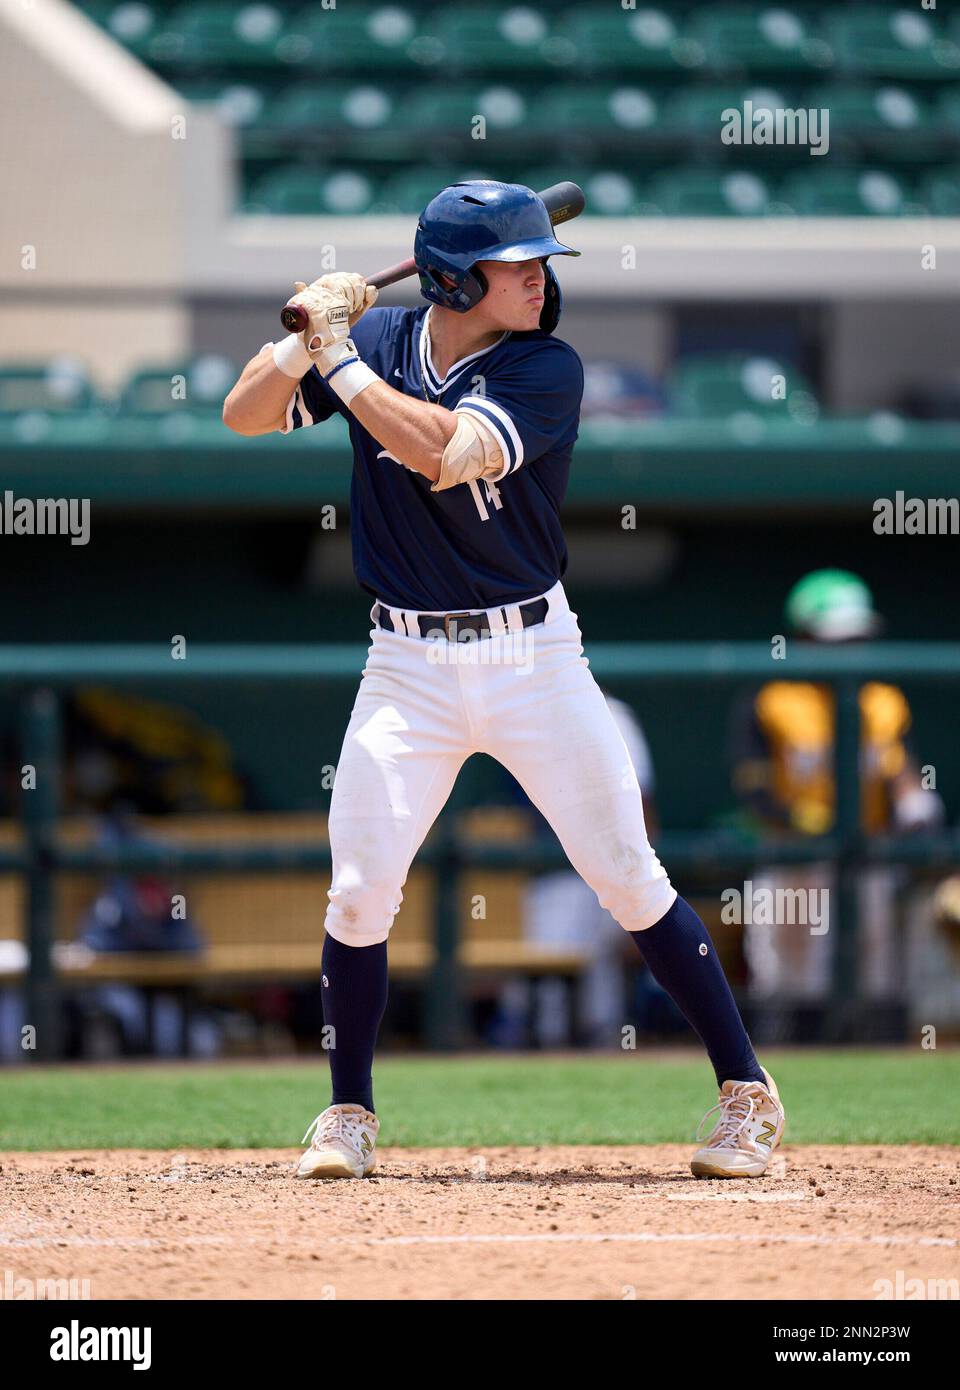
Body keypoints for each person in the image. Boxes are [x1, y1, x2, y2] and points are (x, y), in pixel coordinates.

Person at [224, 180, 784, 1180]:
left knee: (627, 875)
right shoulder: (383, 341)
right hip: (405, 663)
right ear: (454, 277)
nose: (538, 279)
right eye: (517, 265)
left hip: (533, 656)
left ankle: (746, 1092)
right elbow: (243, 415)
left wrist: (336, 354)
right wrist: (303, 337)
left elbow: (438, 453)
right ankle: (347, 1110)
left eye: (538, 263)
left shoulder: (544, 367)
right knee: (358, 890)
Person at [730, 568, 944, 1003]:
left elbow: (903, 775)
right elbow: (753, 789)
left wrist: (916, 804)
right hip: (793, 856)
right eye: (836, 641)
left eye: (857, 639)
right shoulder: (772, 697)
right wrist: (808, 821)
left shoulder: (883, 700)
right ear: (804, 638)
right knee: (788, 978)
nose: (850, 651)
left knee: (874, 975)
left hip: (866, 857)